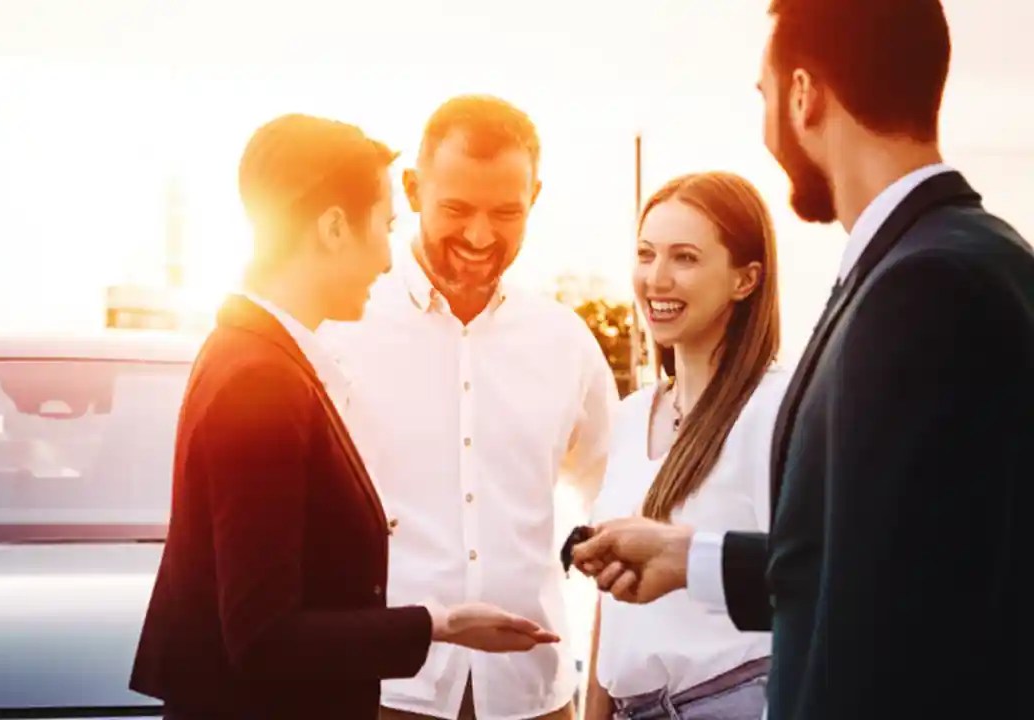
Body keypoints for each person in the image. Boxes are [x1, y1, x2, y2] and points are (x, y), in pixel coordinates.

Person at [572, 1, 1034, 718]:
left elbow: (900, 614)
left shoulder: (925, 284)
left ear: (802, 95)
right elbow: (878, 566)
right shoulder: (964, 259)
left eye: (763, 97)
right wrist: (688, 559)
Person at [130, 113, 558, 720]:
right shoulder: (259, 380)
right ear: (333, 228)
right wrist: (436, 625)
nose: (388, 259)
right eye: (384, 227)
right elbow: (264, 637)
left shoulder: (254, 353)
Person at [318, 94, 617, 720]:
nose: (480, 237)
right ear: (412, 189)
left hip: (533, 697)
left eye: (506, 211)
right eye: (456, 208)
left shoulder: (566, 344)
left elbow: (613, 510)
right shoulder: (339, 331)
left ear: (534, 198)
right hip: (380, 695)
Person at [581, 172, 786, 720]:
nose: (656, 279)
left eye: (685, 258)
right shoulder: (629, 417)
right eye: (646, 254)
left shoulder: (777, 410)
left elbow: (807, 584)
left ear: (746, 280)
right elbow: (612, 609)